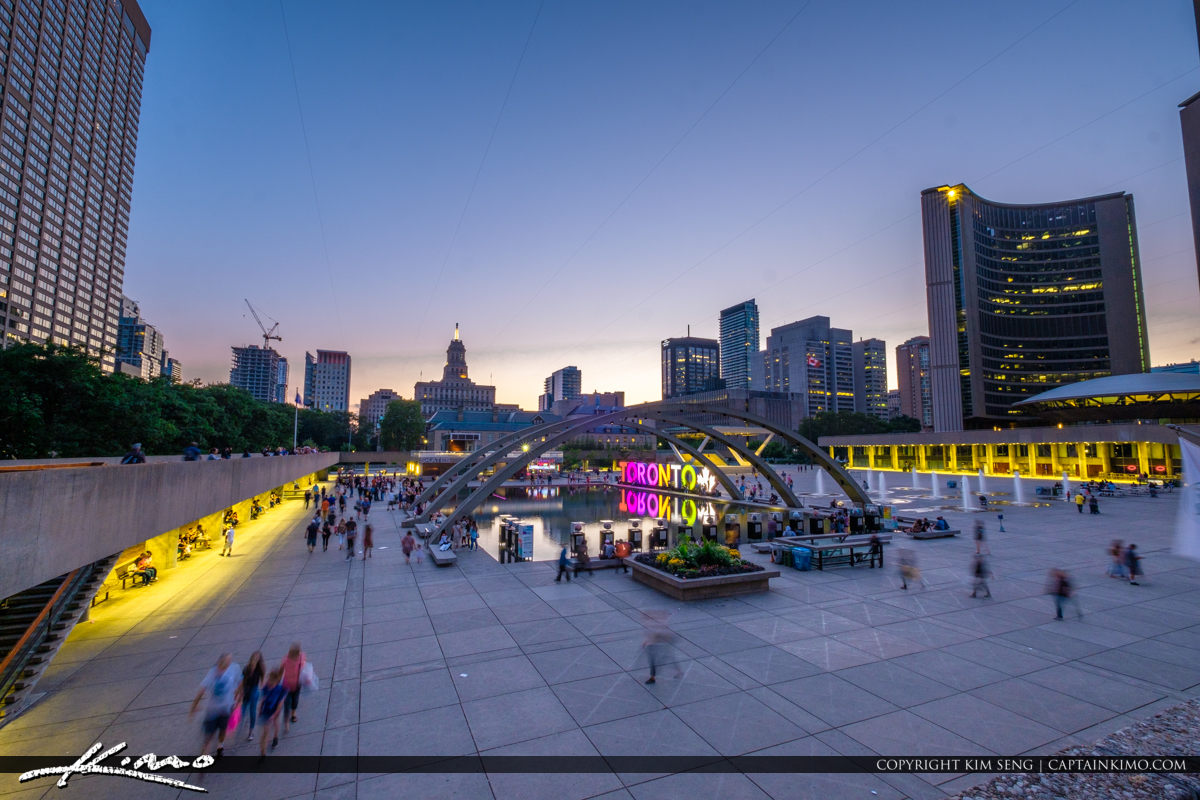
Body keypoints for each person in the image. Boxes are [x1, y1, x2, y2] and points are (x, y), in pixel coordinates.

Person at [190, 652, 241, 758]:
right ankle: (204, 757)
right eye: (227, 661)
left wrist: (238, 697)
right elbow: (201, 691)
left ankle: (220, 746)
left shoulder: (233, 669)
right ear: (220, 662)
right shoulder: (212, 674)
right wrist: (194, 707)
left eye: (229, 661)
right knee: (208, 736)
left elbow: (240, 682)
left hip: (225, 709)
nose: (229, 663)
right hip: (212, 711)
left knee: (222, 730)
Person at [641, 610, 680, 684]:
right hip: (655, 644)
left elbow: (660, 633)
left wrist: (649, 641)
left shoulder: (658, 623)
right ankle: (678, 671)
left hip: (661, 644)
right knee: (666, 658)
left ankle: (653, 677)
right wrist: (647, 641)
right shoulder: (650, 623)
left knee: (661, 659)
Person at [257, 668, 287, 759]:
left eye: (271, 681)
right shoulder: (266, 687)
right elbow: (263, 698)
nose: (269, 682)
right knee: (265, 732)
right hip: (266, 711)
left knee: (275, 722)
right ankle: (263, 752)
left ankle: (275, 737)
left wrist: (274, 715)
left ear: (276, 681)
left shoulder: (280, 689)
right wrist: (260, 709)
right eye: (269, 680)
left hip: (275, 710)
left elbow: (280, 704)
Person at [279, 642, 306, 732]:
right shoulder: (286, 660)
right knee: (287, 703)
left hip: (297, 684)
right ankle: (287, 720)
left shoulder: (301, 657)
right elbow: (281, 670)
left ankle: (293, 714)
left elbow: (303, 667)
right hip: (287, 685)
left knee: (295, 700)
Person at [239, 651, 265, 742]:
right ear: (251, 658)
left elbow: (262, 681)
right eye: (254, 658)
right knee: (242, 710)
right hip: (246, 690)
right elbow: (242, 681)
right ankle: (241, 724)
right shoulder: (246, 668)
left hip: (254, 691)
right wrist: (241, 691)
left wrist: (263, 693)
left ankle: (251, 731)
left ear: (259, 660)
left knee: (252, 711)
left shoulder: (260, 669)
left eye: (257, 659)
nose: (254, 660)